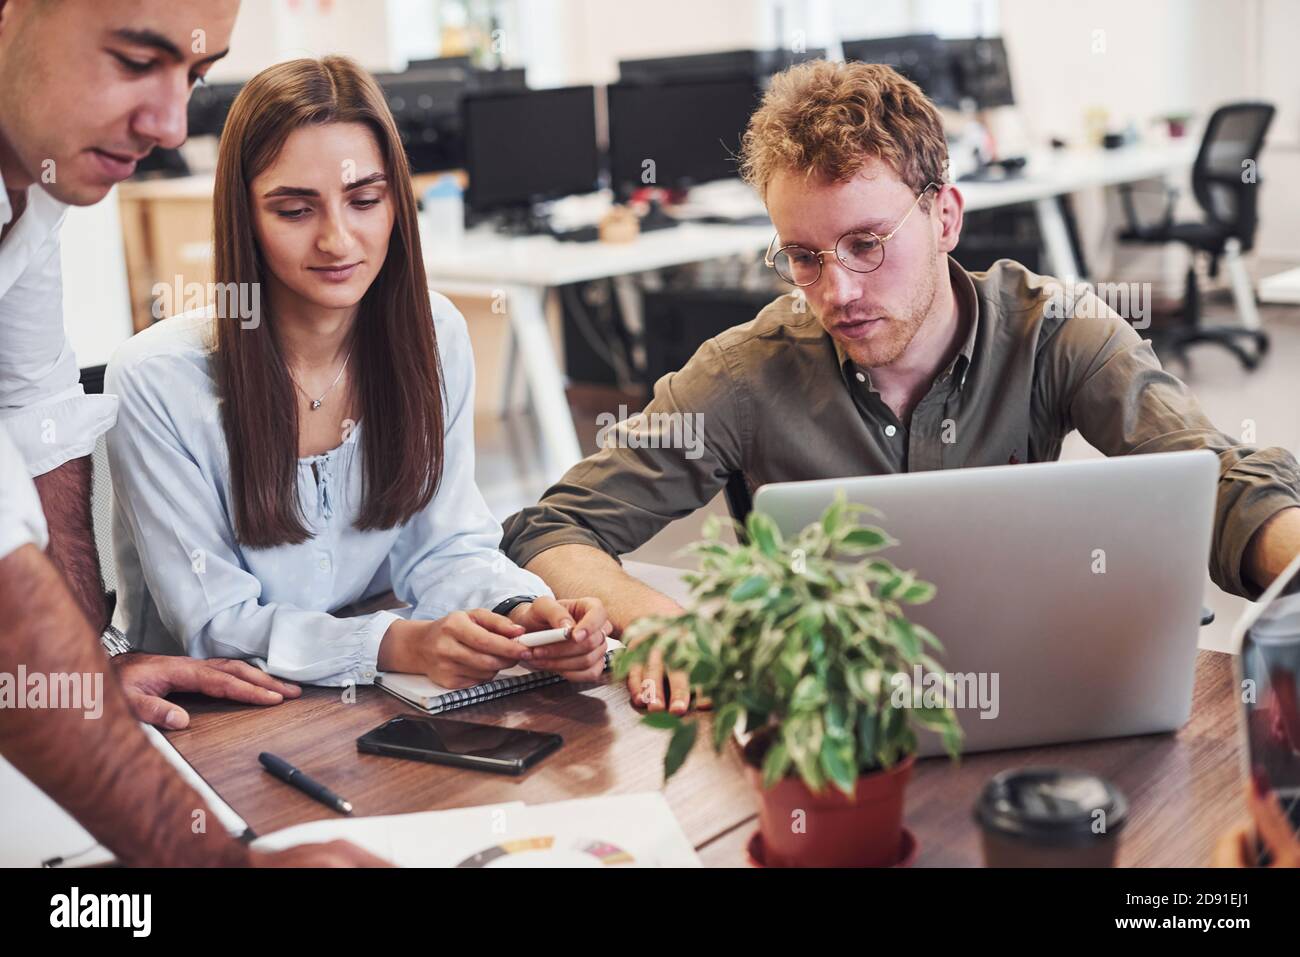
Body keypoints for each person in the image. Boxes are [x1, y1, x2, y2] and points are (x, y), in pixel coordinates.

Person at [499, 59, 1300, 714]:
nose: (837, 289)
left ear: (945, 217)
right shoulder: (744, 372)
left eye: (866, 243)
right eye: (804, 255)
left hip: (1028, 696)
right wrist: (662, 625)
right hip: (820, 734)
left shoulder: (1058, 332)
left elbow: (1227, 482)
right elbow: (551, 527)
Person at [0, 0, 383, 865]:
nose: (170, 124)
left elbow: (36, 415)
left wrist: (87, 668)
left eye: (196, 75)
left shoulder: (30, 196)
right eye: (136, 60)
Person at [107, 55, 612, 689]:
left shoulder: (433, 334)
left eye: (365, 200)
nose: (339, 241)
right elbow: (214, 623)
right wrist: (401, 644)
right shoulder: (157, 381)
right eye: (295, 211)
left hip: (369, 691)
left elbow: (445, 546)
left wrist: (520, 613)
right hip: (217, 711)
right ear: (245, 220)